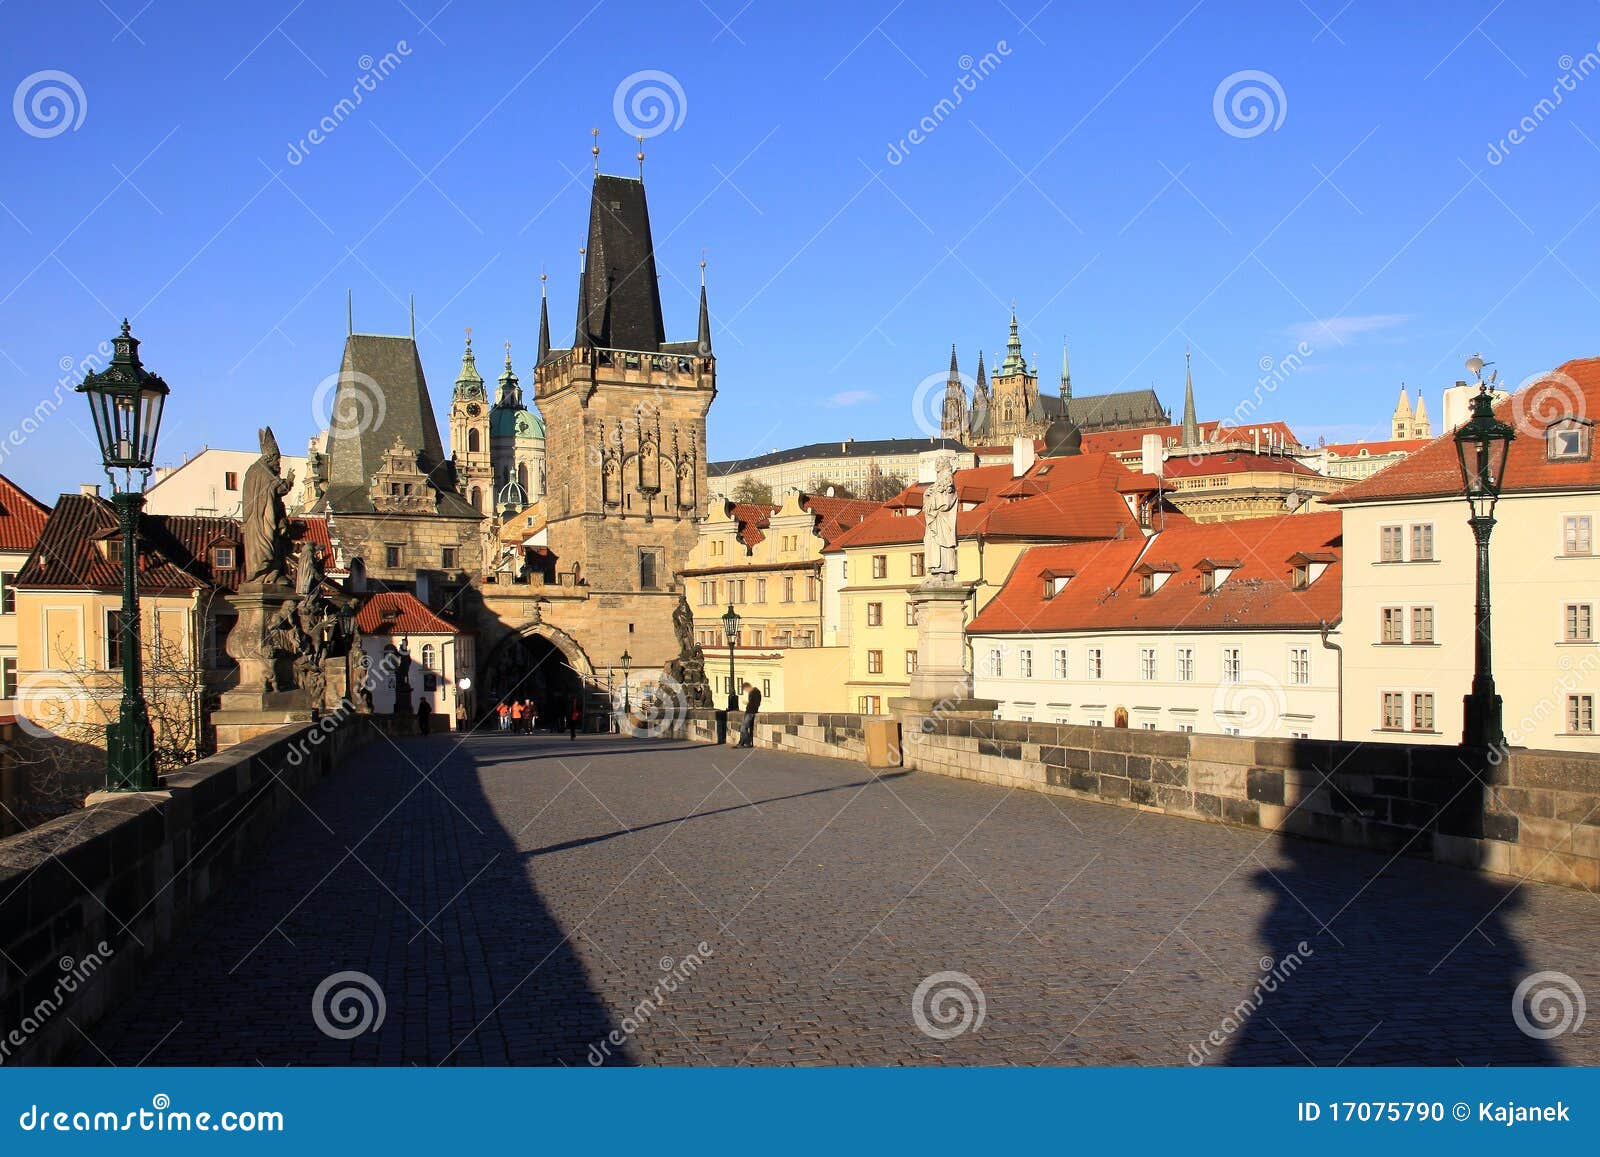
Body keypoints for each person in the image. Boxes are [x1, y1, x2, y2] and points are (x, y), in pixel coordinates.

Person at [737, 681, 761, 748]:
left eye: (745, 690)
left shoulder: (755, 692)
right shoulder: (752, 693)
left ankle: (746, 742)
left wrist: (749, 704)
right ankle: (742, 743)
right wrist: (748, 703)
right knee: (743, 728)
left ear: (747, 687)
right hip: (748, 711)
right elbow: (753, 702)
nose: (746, 691)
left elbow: (756, 703)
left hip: (751, 712)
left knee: (743, 728)